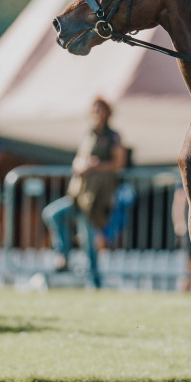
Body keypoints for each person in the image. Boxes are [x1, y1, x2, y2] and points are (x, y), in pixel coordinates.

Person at [42, 98, 126, 288]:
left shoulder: (113, 136)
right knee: (52, 214)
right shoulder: (88, 134)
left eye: (101, 109)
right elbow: (78, 159)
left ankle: (94, 280)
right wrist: (80, 165)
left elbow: (118, 164)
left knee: (89, 239)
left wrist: (96, 166)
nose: (97, 113)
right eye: (95, 109)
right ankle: (63, 253)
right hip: (78, 194)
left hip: (96, 197)